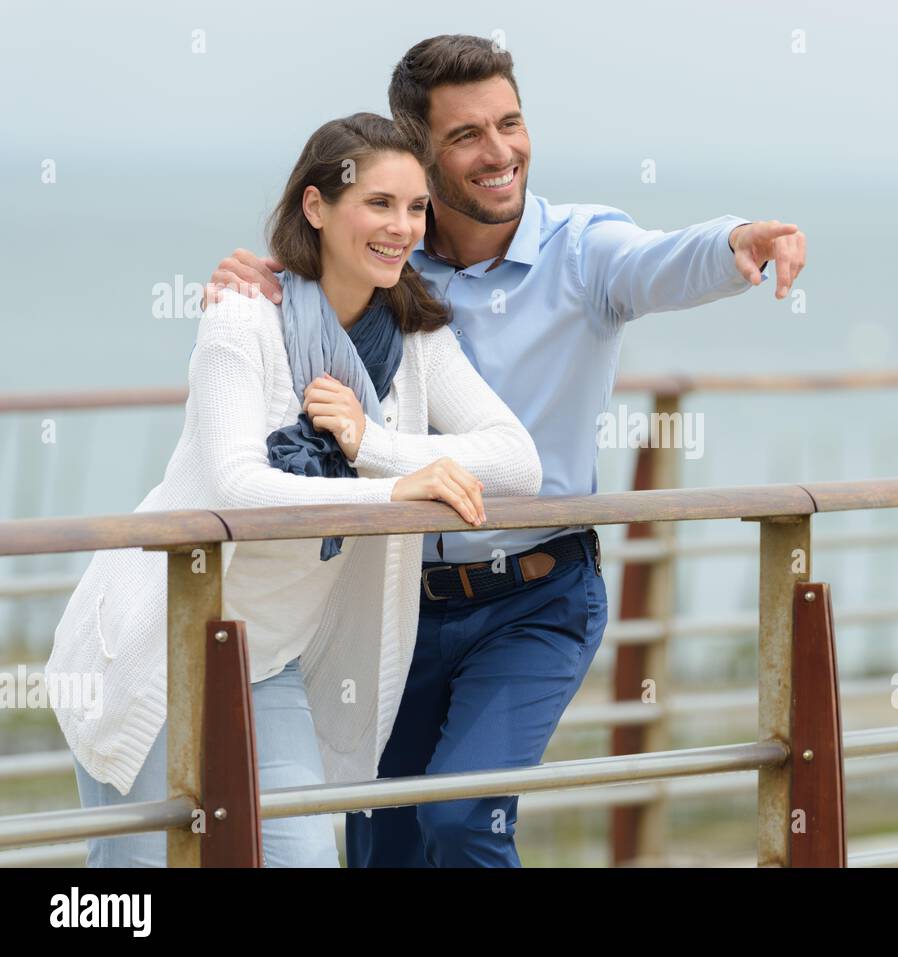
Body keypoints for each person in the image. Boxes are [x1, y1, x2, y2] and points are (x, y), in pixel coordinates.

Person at [207, 34, 808, 867]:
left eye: (510, 124)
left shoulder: (584, 249)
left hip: (535, 598)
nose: (500, 153)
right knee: (383, 842)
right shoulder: (392, 257)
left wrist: (735, 243)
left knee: (461, 821)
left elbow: (659, 259)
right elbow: (308, 290)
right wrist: (257, 278)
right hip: (397, 604)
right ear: (418, 155)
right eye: (466, 136)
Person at [48, 111, 542, 867]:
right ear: (317, 207)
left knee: (305, 857)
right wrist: (397, 493)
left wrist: (371, 444)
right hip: (154, 647)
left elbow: (517, 462)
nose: (402, 227)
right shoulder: (243, 317)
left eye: (415, 208)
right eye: (378, 203)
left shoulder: (413, 339)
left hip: (264, 660)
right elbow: (236, 491)